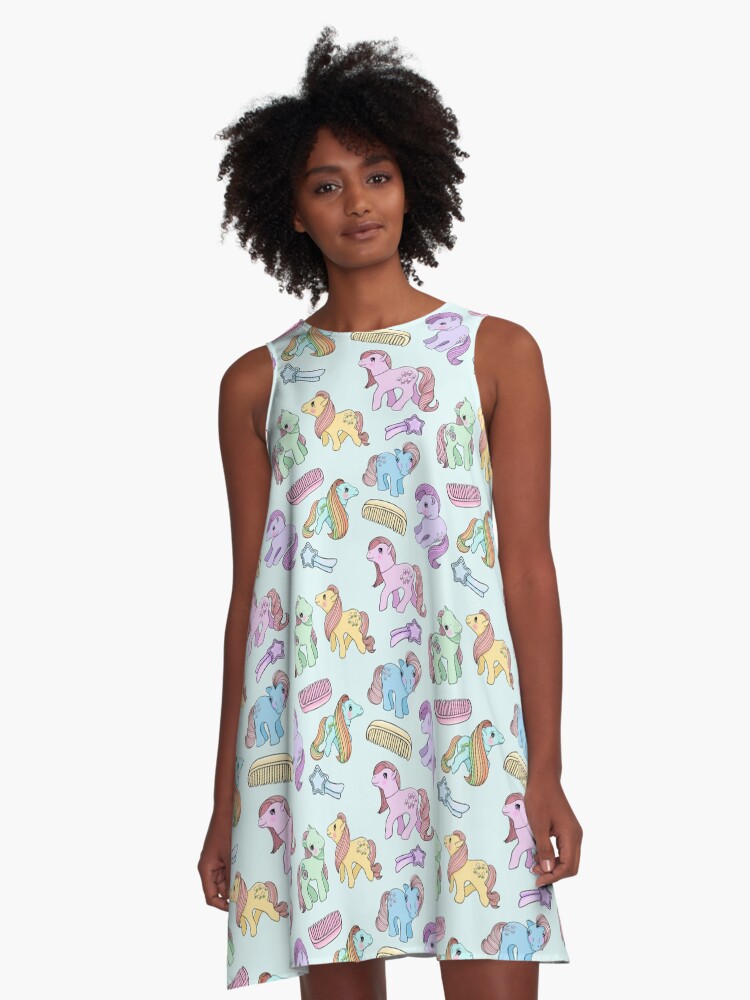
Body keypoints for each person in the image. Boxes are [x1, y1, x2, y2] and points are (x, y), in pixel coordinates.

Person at [198, 25, 582, 1000]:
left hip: (468, 728)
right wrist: (227, 799)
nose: (358, 202)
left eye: (376, 175)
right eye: (327, 185)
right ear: (291, 210)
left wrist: (545, 769)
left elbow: (527, 568)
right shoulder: (259, 384)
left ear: (412, 184)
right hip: (313, 738)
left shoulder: (496, 353)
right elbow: (252, 602)